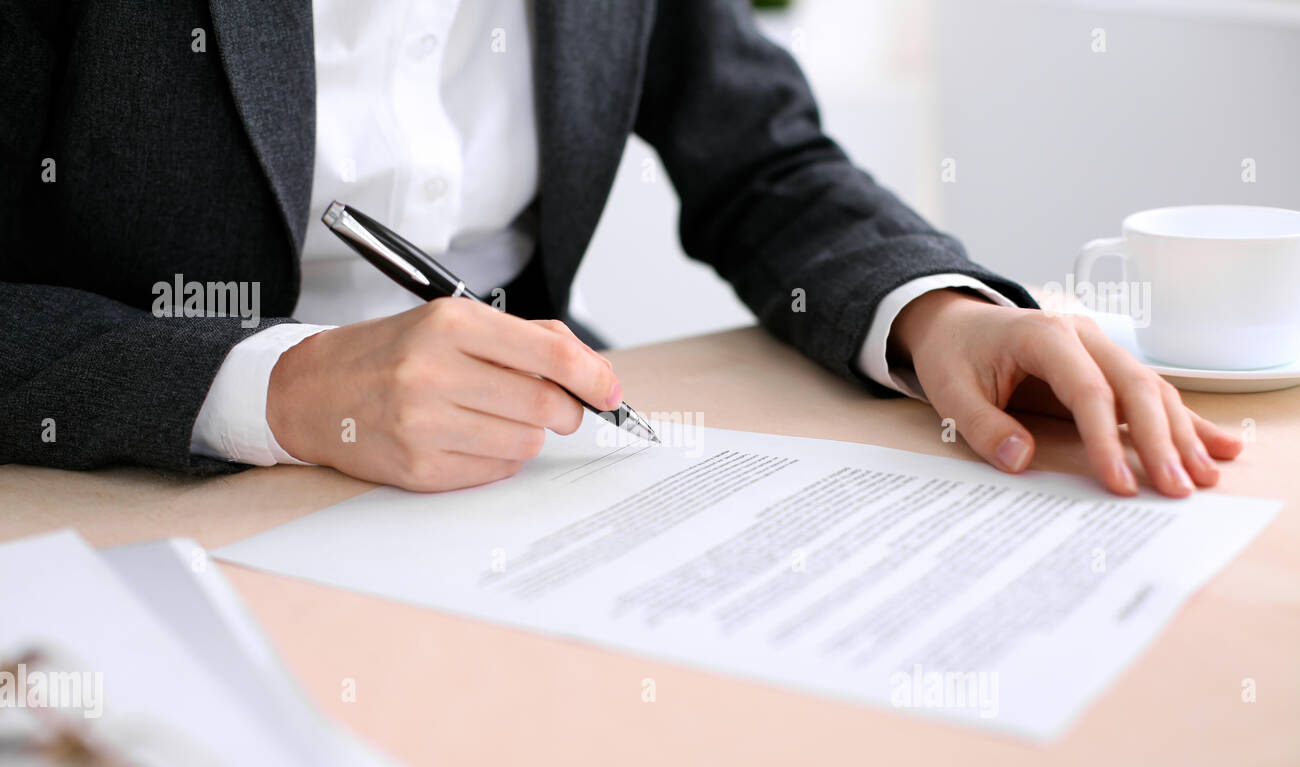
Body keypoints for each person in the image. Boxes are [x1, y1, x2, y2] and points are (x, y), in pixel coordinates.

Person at [0, 0, 1240, 496]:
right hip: (127, 490)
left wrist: (938, 314)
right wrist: (275, 384)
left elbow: (763, 158)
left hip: (525, 468)